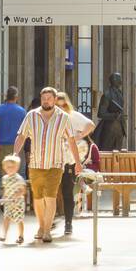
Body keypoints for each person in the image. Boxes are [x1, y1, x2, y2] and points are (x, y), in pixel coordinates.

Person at [13, 87, 86, 243]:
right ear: (41, 99)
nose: (46, 101)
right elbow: (21, 136)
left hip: (55, 163)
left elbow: (72, 141)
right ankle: (41, 226)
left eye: (49, 98)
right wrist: (15, 153)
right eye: (44, 98)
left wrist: (78, 163)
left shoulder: (63, 118)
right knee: (38, 198)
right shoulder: (31, 116)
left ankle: (47, 231)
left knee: (50, 196)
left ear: (54, 99)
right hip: (36, 163)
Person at [54, 92, 95, 236]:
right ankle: (51, 220)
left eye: (63, 104)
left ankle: (68, 223)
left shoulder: (72, 115)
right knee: (52, 191)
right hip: (54, 157)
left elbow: (90, 125)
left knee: (67, 191)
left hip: (68, 158)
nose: (61, 107)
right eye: (58, 105)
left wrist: (79, 136)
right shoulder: (52, 117)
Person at [0, 86, 27, 166]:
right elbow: (24, 130)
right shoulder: (22, 111)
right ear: (16, 97)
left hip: (1, 144)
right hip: (17, 145)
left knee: (5, 171)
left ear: (6, 96)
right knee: (14, 171)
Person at [0, 155, 26, 245]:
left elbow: (23, 190)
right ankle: (4, 235)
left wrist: (16, 195)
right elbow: (5, 189)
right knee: (6, 218)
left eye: (12, 167)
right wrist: (3, 198)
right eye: (8, 167)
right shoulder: (5, 179)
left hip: (18, 203)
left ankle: (21, 236)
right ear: (4, 168)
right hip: (8, 203)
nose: (10, 169)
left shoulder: (19, 178)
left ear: (17, 167)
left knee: (19, 220)